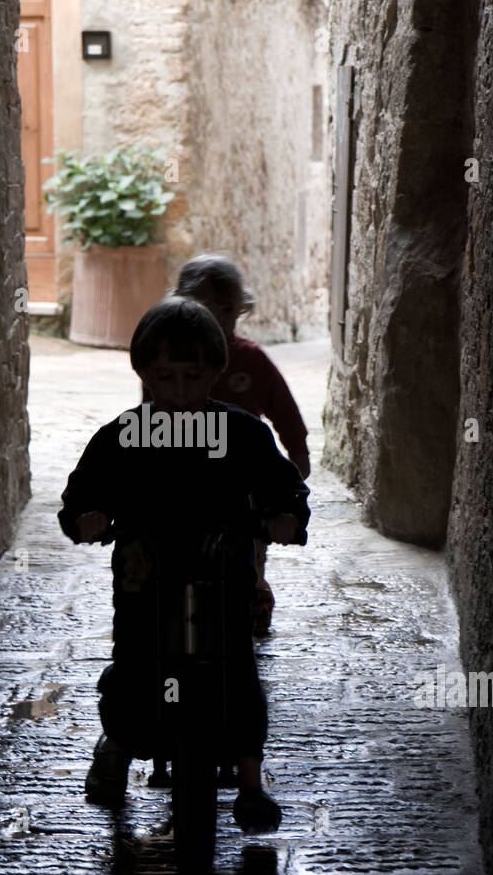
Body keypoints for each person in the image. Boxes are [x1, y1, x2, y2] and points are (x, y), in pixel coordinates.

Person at [58, 297, 309, 832]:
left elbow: (283, 484)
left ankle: (249, 779)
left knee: (239, 671)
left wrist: (285, 515)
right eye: (164, 377)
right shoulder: (123, 435)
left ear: (215, 372)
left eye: (191, 377)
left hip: (223, 574)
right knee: (134, 665)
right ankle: (119, 745)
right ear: (144, 374)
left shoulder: (242, 434)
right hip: (144, 578)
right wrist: (88, 517)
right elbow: (80, 493)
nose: (176, 391)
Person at [172, 255, 310, 632]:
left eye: (226, 308)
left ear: (238, 309)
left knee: (248, 549)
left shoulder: (250, 360)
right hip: (187, 475)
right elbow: (150, 413)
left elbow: (283, 408)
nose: (216, 318)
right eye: (203, 308)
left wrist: (297, 453)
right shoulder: (173, 362)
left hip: (244, 482)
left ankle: (248, 599)